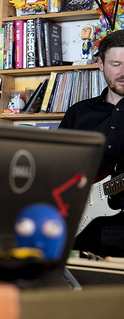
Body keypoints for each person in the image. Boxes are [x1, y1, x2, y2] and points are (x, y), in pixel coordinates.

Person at [60, 29, 124, 257]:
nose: (123, 72)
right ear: (100, 64)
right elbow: (58, 168)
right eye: (116, 64)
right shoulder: (79, 113)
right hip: (80, 229)